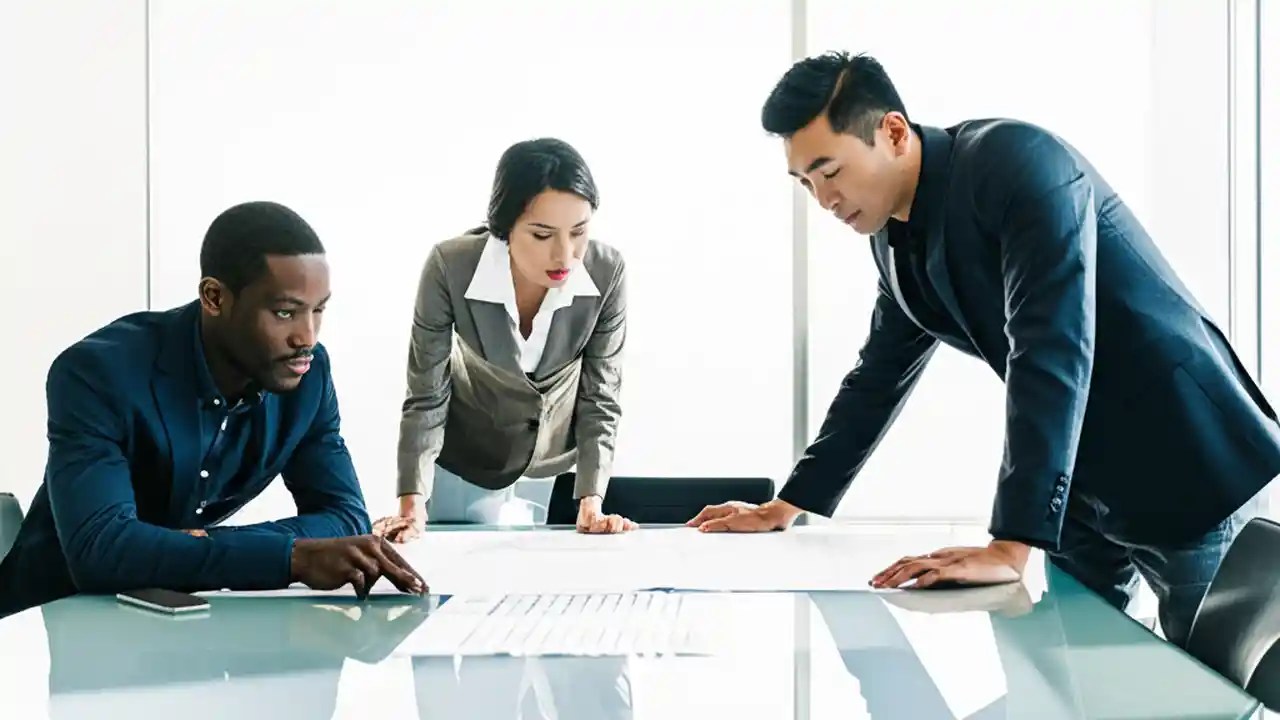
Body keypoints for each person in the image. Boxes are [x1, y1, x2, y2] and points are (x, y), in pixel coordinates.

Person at [688, 51, 1280, 648]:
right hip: (1077, 486)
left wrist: (1009, 543)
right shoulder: (891, 239)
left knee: (1206, 689)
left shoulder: (1018, 164)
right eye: (806, 182)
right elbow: (879, 375)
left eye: (831, 171)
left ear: (892, 132)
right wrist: (789, 504)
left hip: (1189, 459)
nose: (823, 199)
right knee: (1079, 681)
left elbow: (1050, 346)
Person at [0, 201, 425, 617]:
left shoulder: (307, 375)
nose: (307, 337)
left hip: (189, 618)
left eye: (318, 310)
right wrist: (288, 557)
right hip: (54, 620)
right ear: (215, 297)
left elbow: (345, 517)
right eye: (284, 312)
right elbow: (101, 548)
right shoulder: (97, 373)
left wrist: (211, 543)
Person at [374, 138, 635, 542]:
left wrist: (592, 500)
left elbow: (601, 394)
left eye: (578, 232)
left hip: (557, 461)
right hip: (468, 456)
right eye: (542, 235)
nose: (565, 255)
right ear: (505, 225)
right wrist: (411, 505)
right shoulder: (451, 266)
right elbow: (427, 392)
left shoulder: (607, 271)